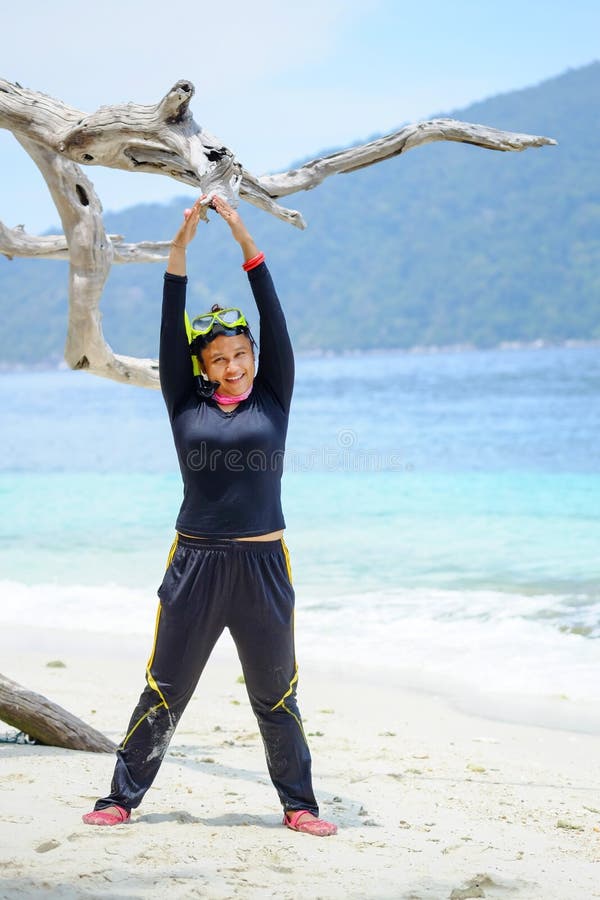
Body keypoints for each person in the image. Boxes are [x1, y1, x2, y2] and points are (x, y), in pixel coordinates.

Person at [82, 195, 337, 837]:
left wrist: (241, 232)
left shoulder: (275, 395)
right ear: (200, 366)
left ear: (253, 356)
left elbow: (273, 318)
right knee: (164, 687)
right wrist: (179, 251)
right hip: (194, 561)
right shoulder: (183, 404)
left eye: (240, 355)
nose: (232, 365)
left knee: (277, 695)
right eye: (218, 358)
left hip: (262, 564)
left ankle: (299, 807)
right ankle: (121, 797)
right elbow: (172, 321)